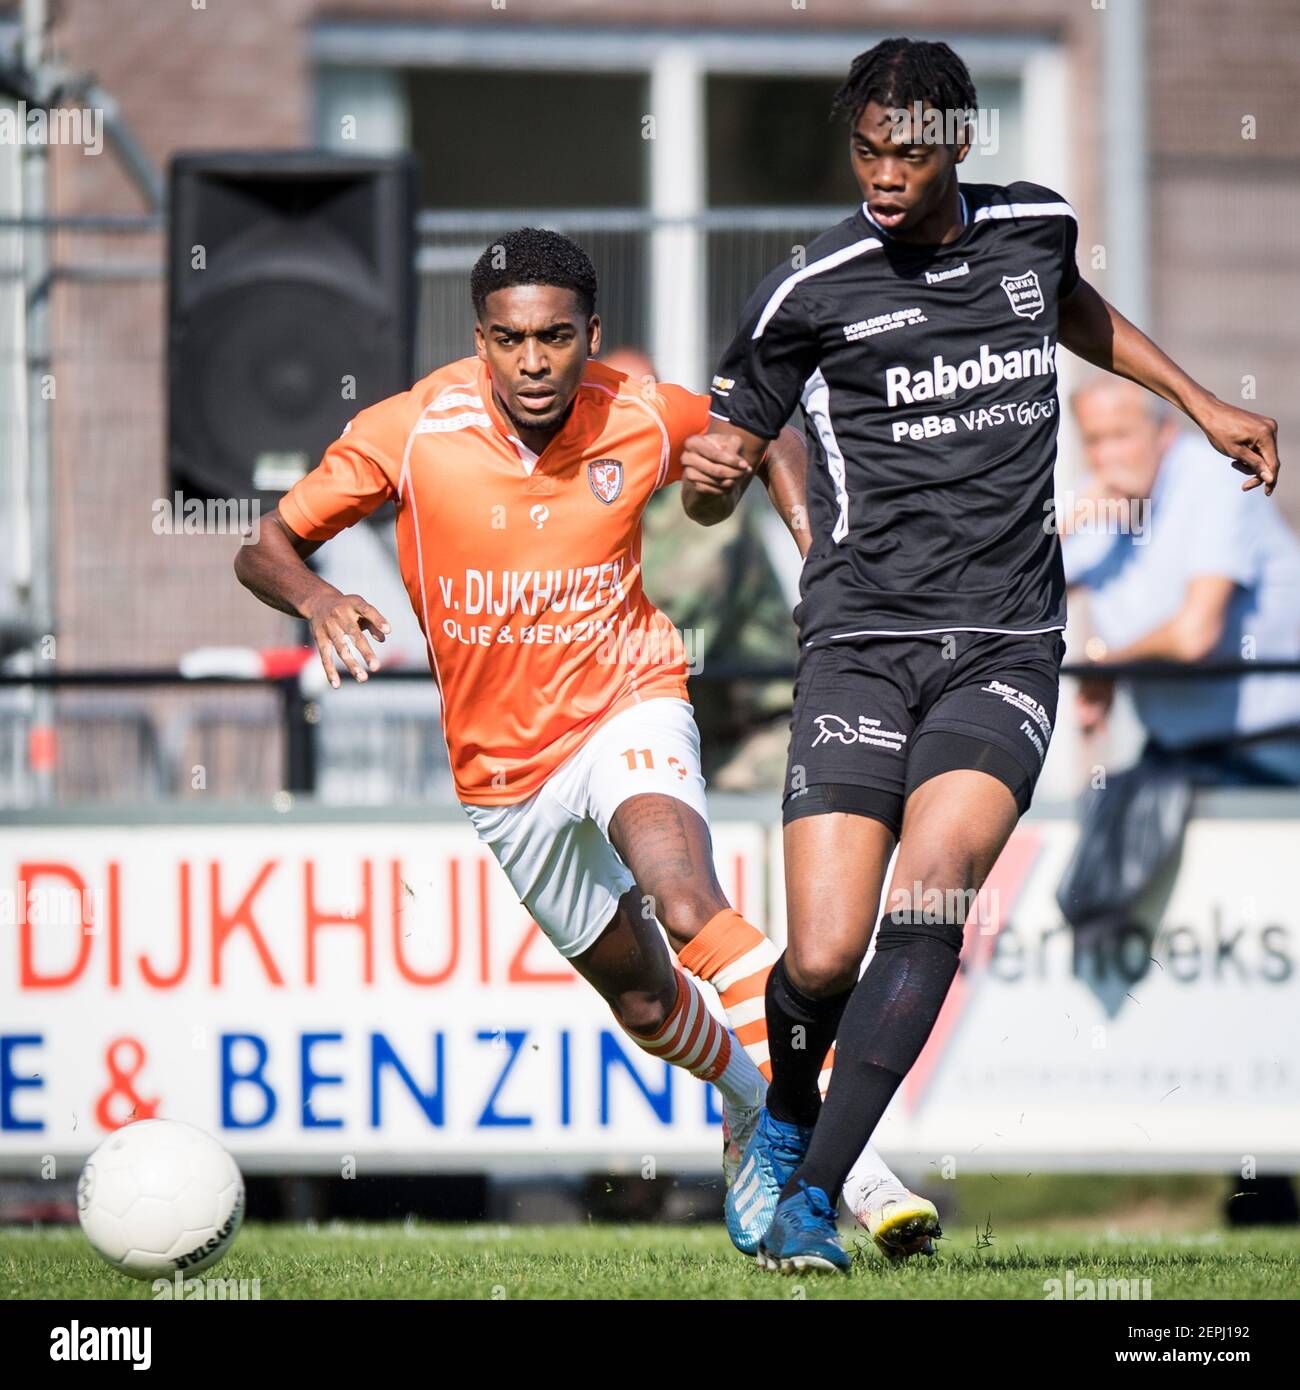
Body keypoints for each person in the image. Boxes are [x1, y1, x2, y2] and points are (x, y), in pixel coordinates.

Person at [682, 37, 1280, 1273]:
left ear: (960, 140)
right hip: (857, 639)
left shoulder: (1034, 228)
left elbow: (1075, 312)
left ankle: (814, 1195)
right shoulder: (811, 287)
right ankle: (785, 1122)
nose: (885, 173)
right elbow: (728, 446)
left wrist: (1196, 400)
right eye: (866, 149)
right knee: (822, 952)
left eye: (909, 149)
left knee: (936, 886)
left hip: (1004, 637)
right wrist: (707, 490)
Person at [234, 227, 934, 1255]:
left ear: (588, 335)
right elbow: (265, 544)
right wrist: (319, 595)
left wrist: (816, 550)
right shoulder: (411, 430)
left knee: (688, 899)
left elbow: (763, 426)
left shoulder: (637, 409)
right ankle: (750, 1105)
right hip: (501, 774)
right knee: (648, 1001)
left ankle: (839, 1158)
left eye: (555, 338)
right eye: (509, 340)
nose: (532, 362)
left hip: (626, 702)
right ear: (480, 339)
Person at [1064, 375, 1300, 784]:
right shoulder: (1099, 496)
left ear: (1164, 434)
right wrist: (1067, 523)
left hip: (1270, 750)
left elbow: (1194, 637)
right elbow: (1007, 596)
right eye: (1094, 441)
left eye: (1121, 436)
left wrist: (1105, 665)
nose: (1107, 457)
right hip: (1173, 751)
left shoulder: (1215, 481)